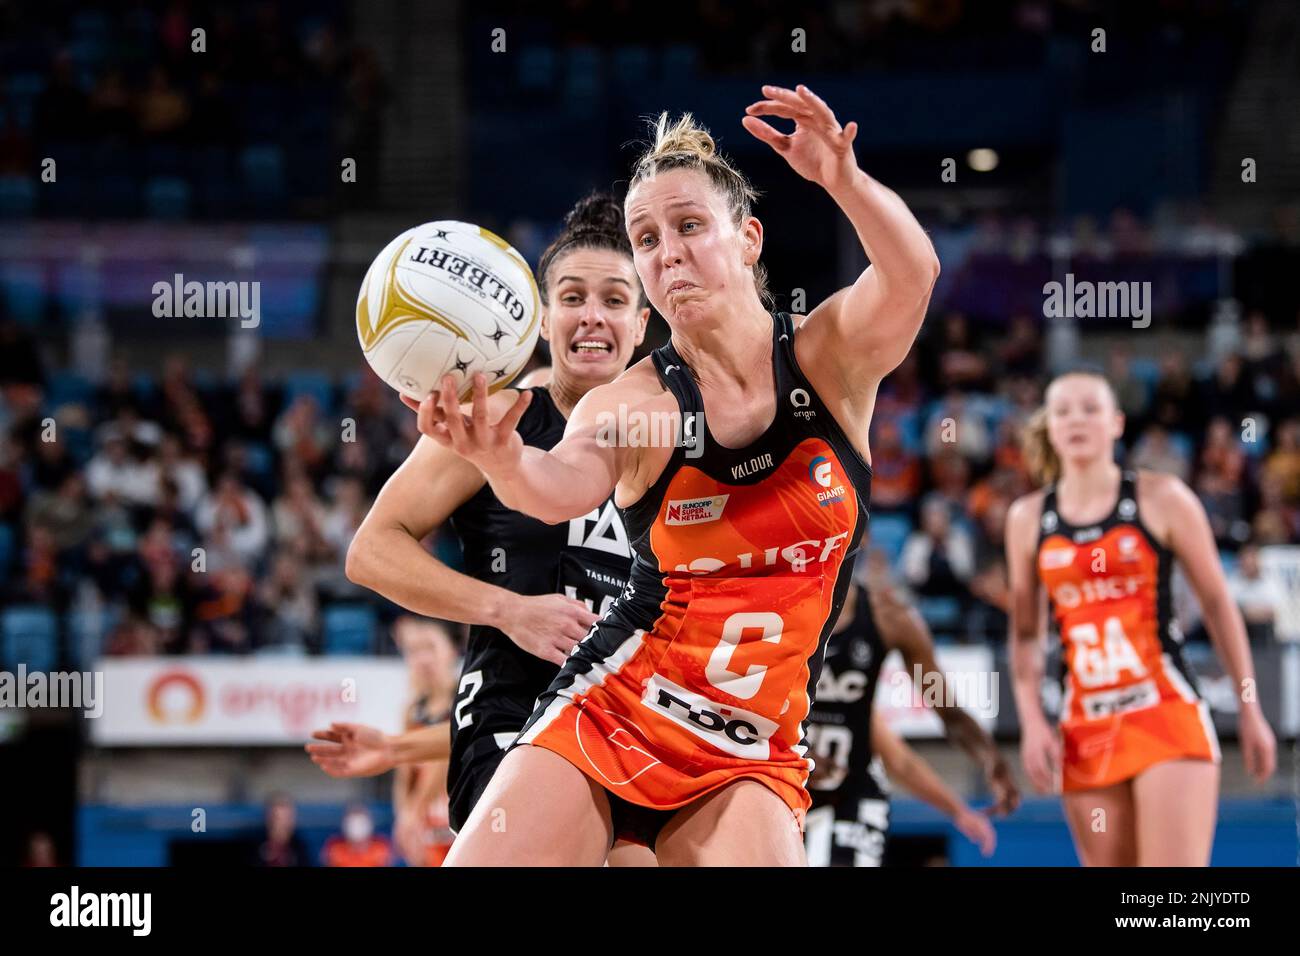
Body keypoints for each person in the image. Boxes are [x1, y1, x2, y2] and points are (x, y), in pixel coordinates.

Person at [422, 86, 939, 866]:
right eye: (647, 238)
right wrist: (497, 457)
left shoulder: (827, 358)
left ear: (748, 238)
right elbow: (556, 486)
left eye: (689, 226)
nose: (667, 253)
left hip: (752, 747)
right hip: (616, 707)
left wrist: (844, 179)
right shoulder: (636, 401)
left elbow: (912, 277)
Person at [311, 193, 654, 865]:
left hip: (631, 732)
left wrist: (398, 748)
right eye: (573, 297)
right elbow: (372, 550)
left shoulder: (666, 434)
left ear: (641, 324)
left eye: (614, 300)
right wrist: (508, 610)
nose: (592, 316)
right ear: (543, 317)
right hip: (511, 720)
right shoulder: (496, 414)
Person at [1005, 369, 1277, 866]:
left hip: (1164, 712)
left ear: (1117, 423)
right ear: (1050, 427)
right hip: (1085, 724)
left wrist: (1250, 706)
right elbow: (1025, 633)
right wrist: (1030, 720)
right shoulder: (1026, 519)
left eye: (1090, 408)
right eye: (1063, 410)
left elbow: (1218, 604)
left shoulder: (1163, 497)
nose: (1077, 419)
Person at [803, 552, 1016, 866]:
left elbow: (945, 710)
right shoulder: (776, 614)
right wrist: (802, 751)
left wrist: (990, 757)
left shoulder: (889, 619)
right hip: (788, 783)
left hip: (853, 794)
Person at [390, 617, 458, 867]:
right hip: (428, 829)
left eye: (430, 647)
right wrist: (404, 819)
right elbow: (403, 773)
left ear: (451, 650)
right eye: (414, 651)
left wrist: (412, 814)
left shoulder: (465, 700)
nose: (423, 659)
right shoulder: (412, 711)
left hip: (461, 823)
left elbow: (445, 758)